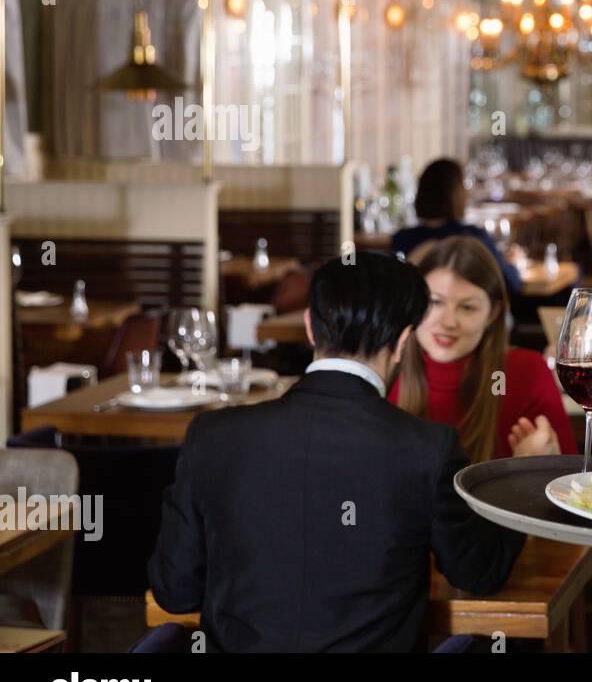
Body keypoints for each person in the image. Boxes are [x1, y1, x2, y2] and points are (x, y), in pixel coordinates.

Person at [149, 252, 525, 652]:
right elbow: (478, 572)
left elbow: (175, 591)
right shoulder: (429, 448)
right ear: (401, 343)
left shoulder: (212, 435)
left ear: (311, 327)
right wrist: (520, 480)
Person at [391, 236, 577, 461]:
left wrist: (537, 471)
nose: (448, 322)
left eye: (467, 307)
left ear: (493, 313)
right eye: (435, 302)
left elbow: (567, 485)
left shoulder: (528, 373)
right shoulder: (384, 369)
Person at [392, 158, 523, 295]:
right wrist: (514, 264)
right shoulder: (472, 237)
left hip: (416, 315)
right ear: (459, 195)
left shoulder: (401, 239)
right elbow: (512, 284)